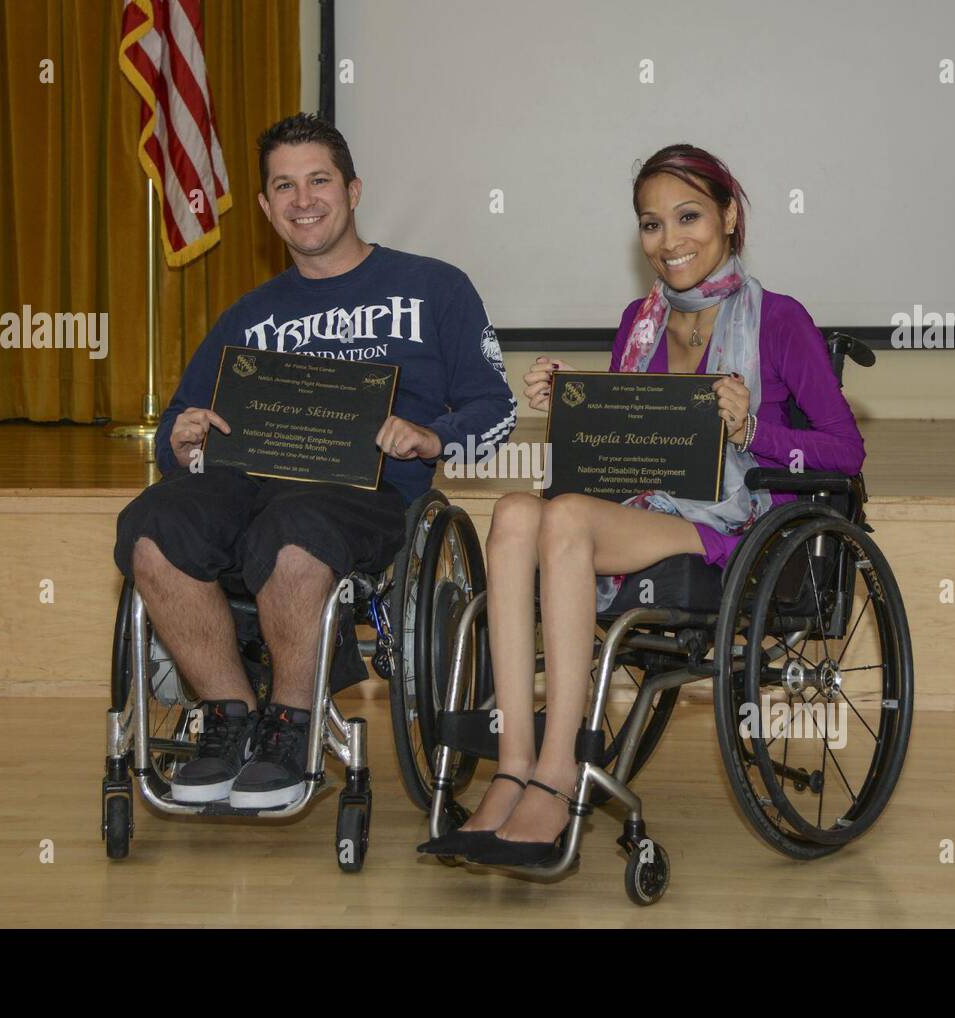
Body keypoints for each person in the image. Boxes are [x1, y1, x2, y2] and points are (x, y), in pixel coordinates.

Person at [419, 143, 865, 865]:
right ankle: (513, 762)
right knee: (512, 512)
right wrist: (569, 403)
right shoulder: (641, 320)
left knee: (562, 517)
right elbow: (620, 446)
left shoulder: (779, 321)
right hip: (641, 509)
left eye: (687, 216)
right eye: (651, 225)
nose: (668, 240)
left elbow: (847, 452)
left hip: (733, 527)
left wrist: (754, 429)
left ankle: (560, 773)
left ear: (729, 216)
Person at [114, 114, 517, 809]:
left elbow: (497, 411)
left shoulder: (434, 288)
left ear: (353, 190)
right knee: (151, 527)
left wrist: (433, 435)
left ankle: (291, 728)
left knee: (296, 533)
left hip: (367, 493)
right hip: (247, 482)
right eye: (284, 186)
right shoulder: (247, 316)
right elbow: (176, 434)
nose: (304, 200)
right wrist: (179, 442)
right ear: (267, 208)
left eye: (319, 180)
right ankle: (231, 717)